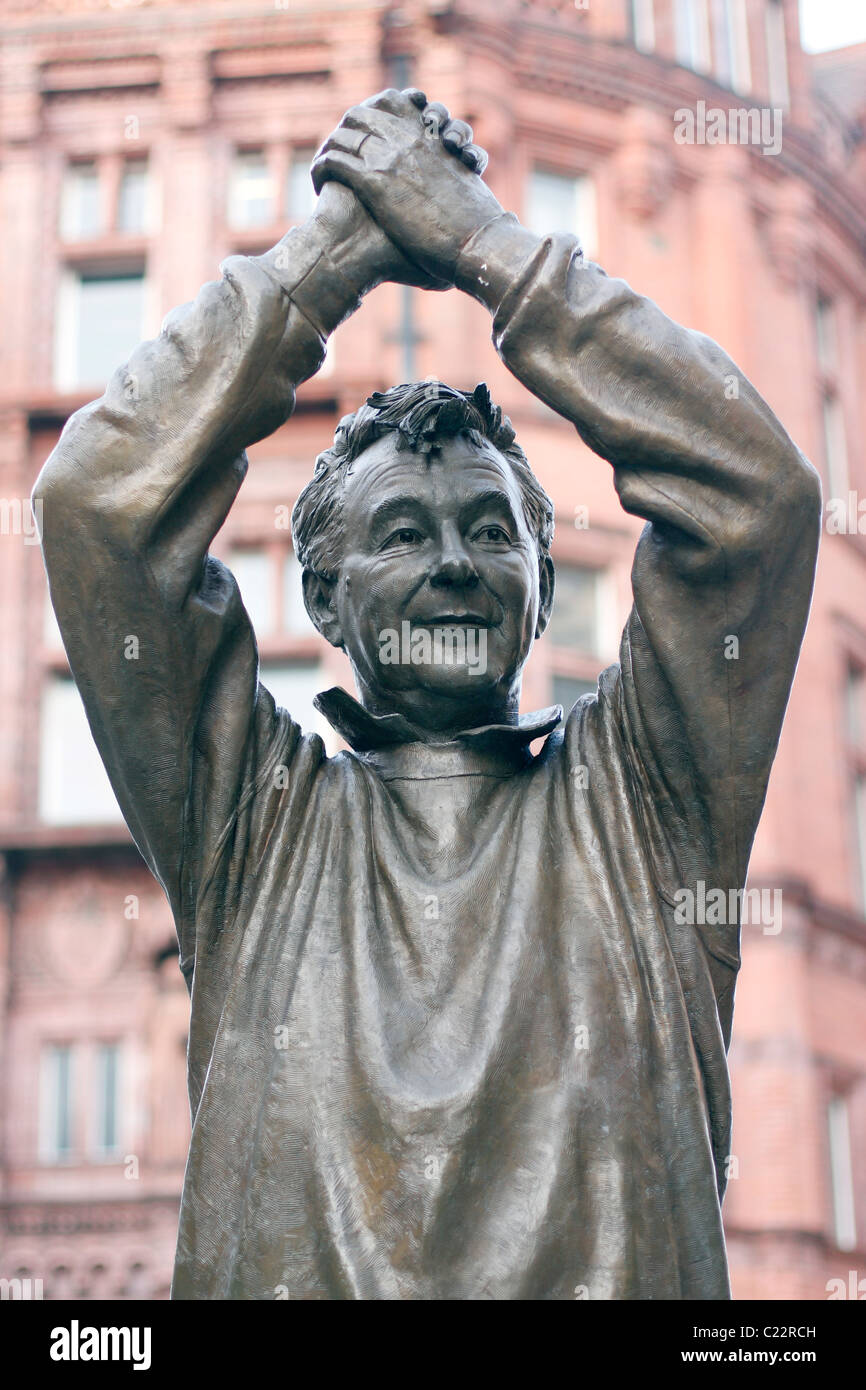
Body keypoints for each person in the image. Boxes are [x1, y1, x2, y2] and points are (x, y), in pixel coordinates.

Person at [34, 90, 821, 1300]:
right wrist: (332, 257)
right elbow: (97, 506)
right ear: (328, 602)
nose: (454, 563)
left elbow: (754, 501)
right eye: (401, 532)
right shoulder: (248, 825)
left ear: (542, 582)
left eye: (488, 532)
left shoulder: (646, 801)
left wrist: (479, 245)